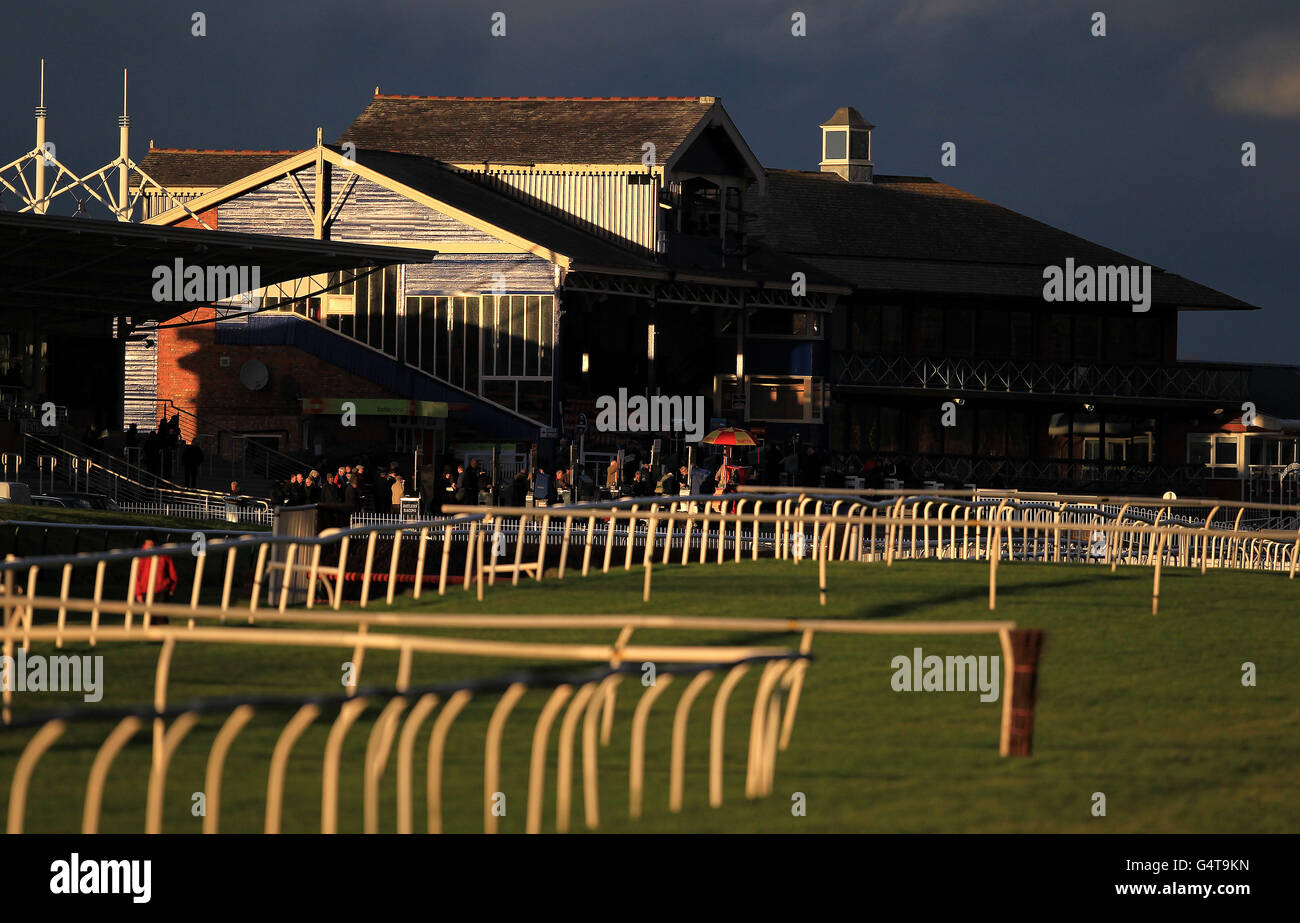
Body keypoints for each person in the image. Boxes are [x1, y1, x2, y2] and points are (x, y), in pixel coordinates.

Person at [134, 540, 178, 625]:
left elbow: (172, 572)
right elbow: (137, 575)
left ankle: (163, 635)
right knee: (150, 617)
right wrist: (138, 593)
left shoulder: (163, 554)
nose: (149, 546)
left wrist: (172, 587)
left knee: (161, 615)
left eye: (151, 544)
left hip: (162, 589)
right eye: (147, 544)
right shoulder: (141, 556)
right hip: (146, 591)